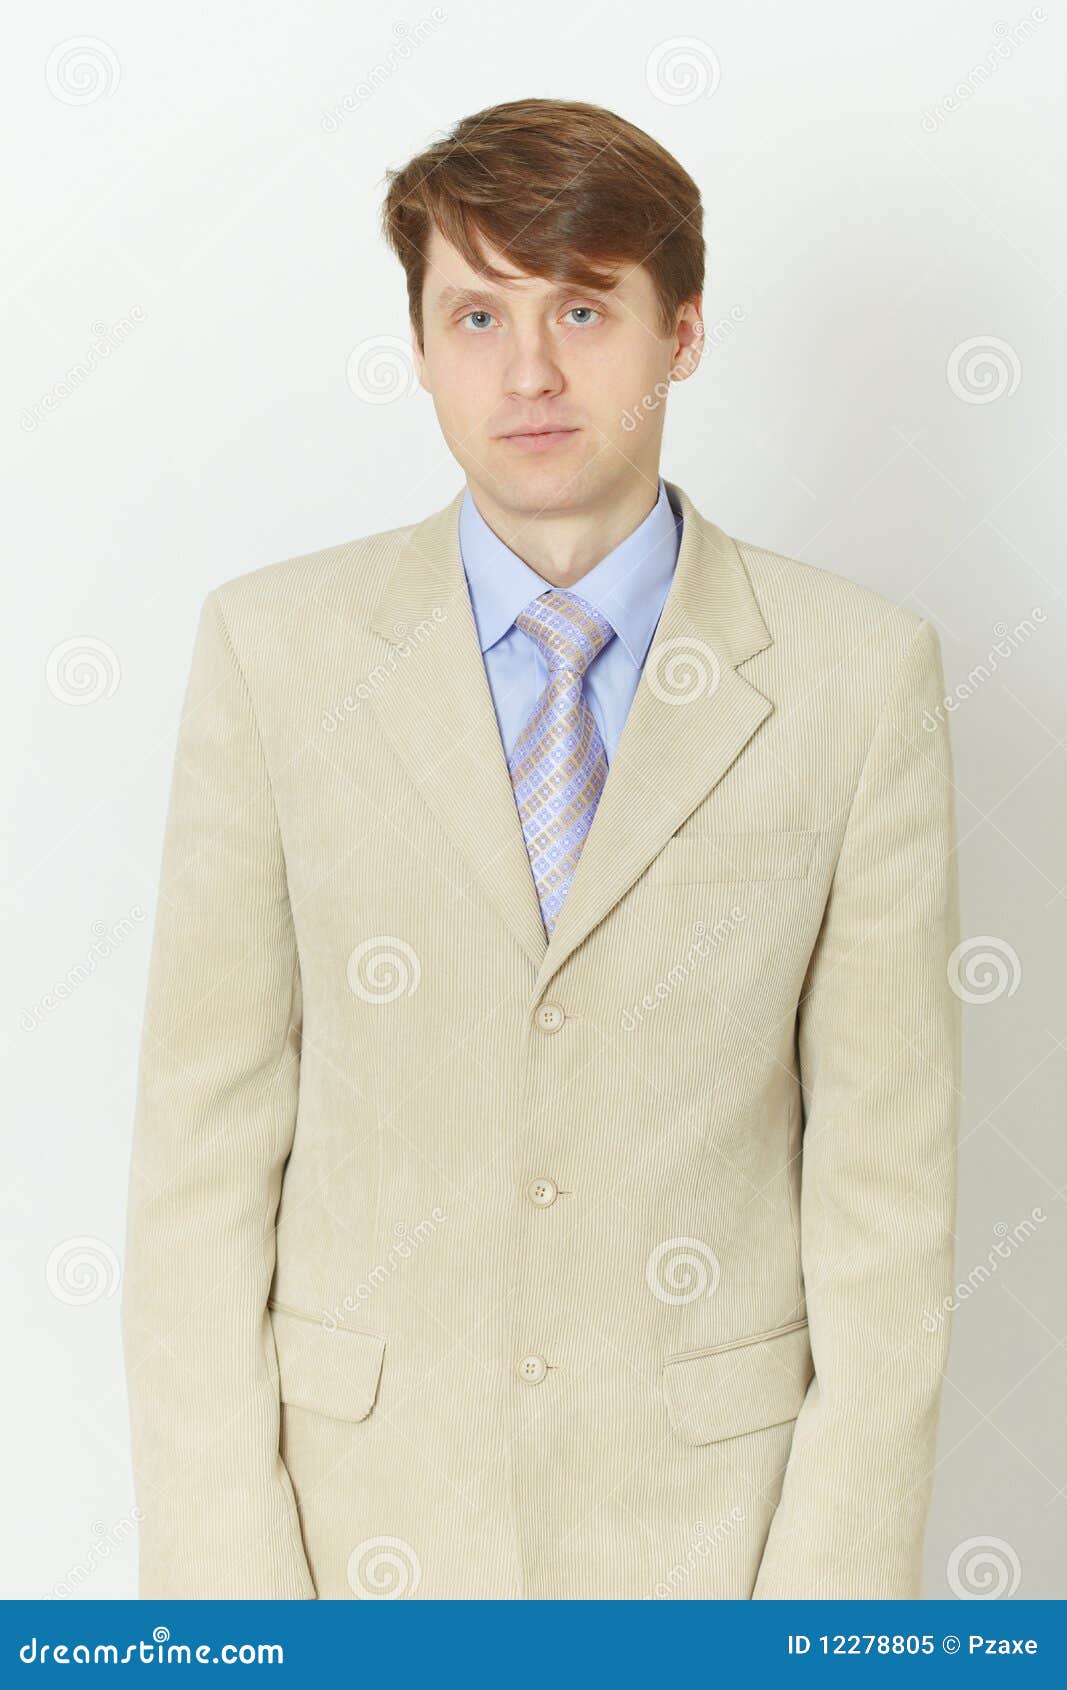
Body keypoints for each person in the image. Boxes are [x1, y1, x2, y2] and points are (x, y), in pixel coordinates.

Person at [121, 97, 960, 1600]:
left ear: (681, 332)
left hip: (714, 1547)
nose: (528, 372)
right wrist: (230, 1608)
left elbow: (886, 1209)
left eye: (582, 307)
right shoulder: (273, 654)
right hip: (355, 1539)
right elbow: (201, 1164)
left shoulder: (860, 676)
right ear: (421, 343)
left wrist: (821, 1628)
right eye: (476, 315)